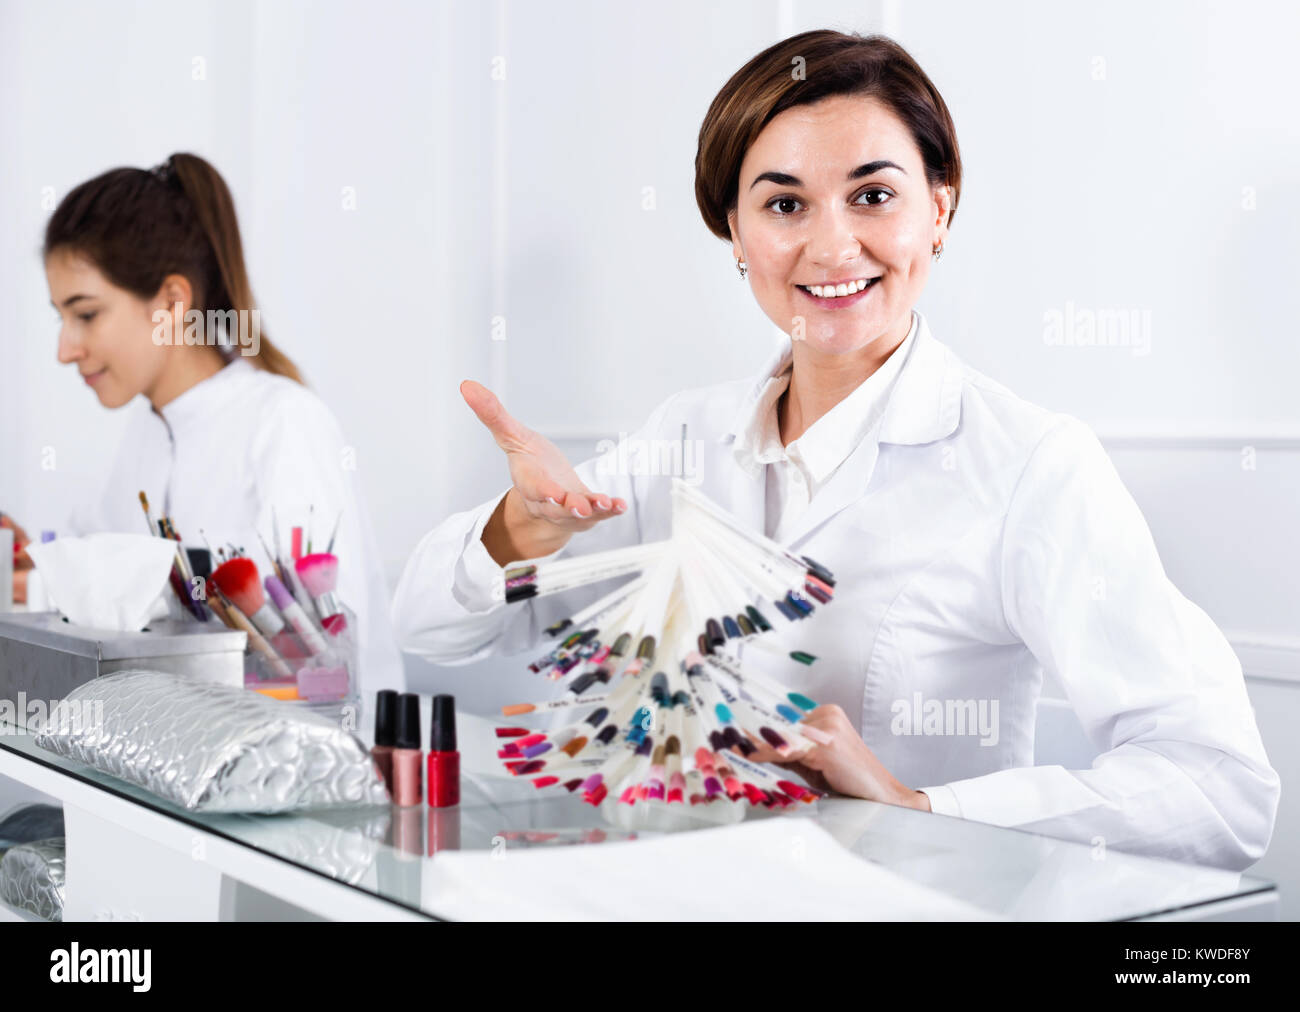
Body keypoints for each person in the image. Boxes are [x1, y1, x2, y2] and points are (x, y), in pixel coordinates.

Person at [391, 31, 1277, 870]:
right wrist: (522, 529)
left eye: (873, 195)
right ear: (735, 234)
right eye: (784, 205)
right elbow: (429, 629)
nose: (831, 246)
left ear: (939, 209)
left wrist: (916, 807)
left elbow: (1221, 788)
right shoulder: (683, 437)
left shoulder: (1030, 466)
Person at [5, 152, 403, 696]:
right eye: (61, 317)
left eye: (86, 314)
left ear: (171, 303)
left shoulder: (284, 423)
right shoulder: (147, 435)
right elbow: (117, 597)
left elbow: (327, 660)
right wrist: (39, 570)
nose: (64, 349)